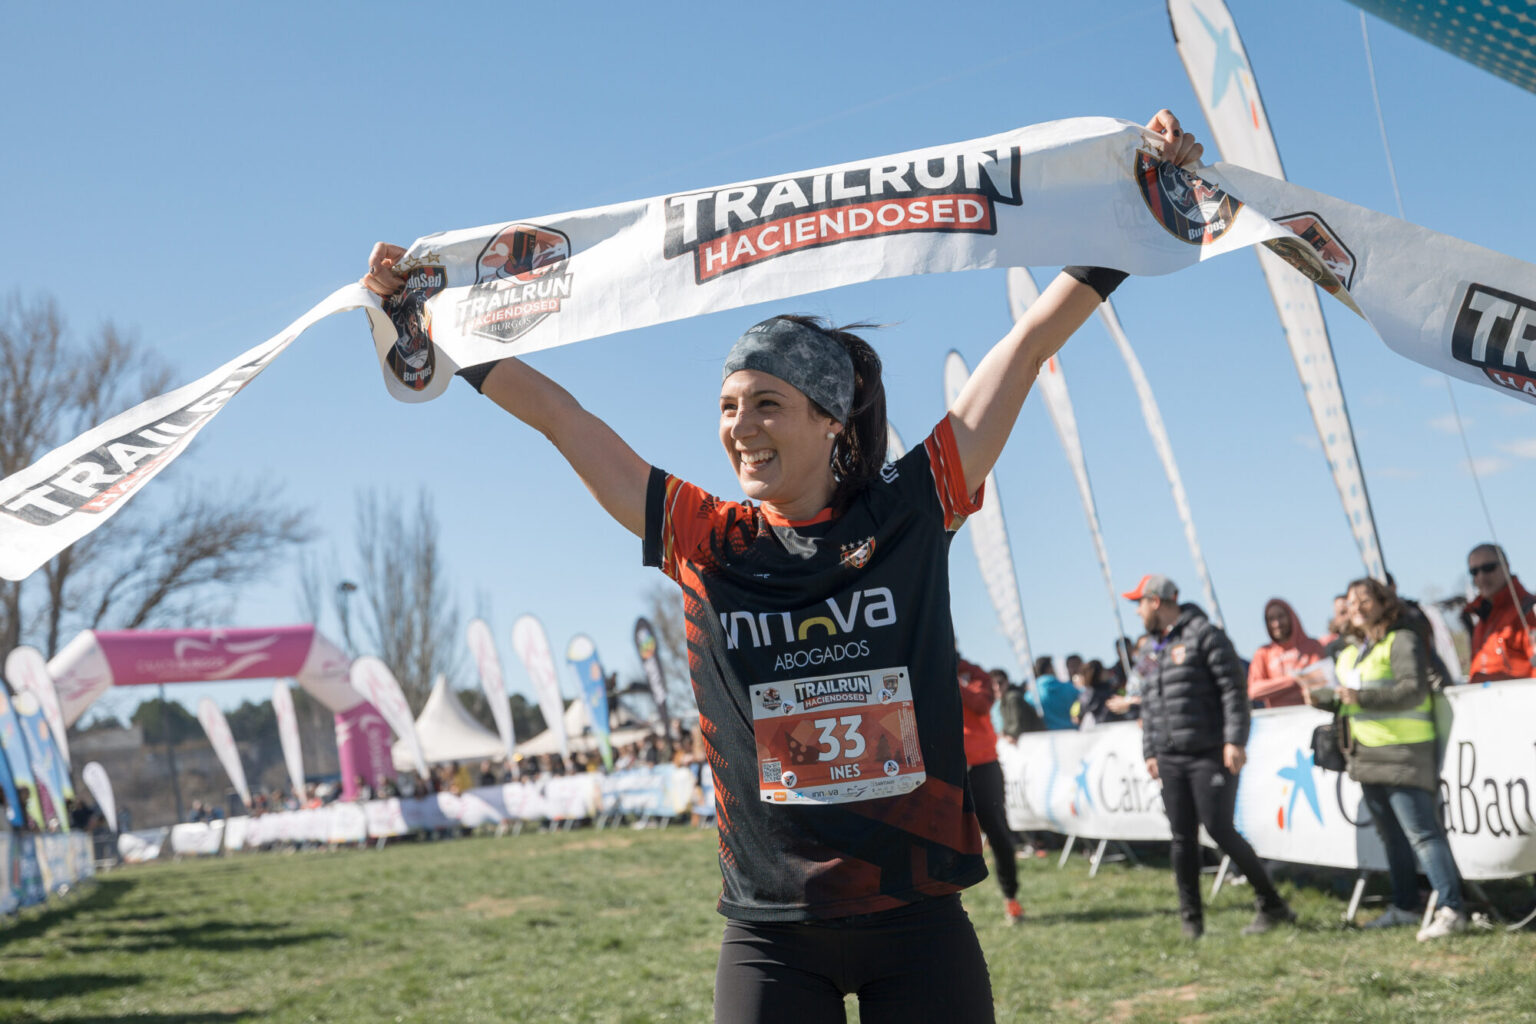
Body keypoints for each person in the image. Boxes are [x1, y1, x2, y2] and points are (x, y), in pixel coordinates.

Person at [364, 110, 1202, 1023]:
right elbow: (568, 421)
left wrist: (1138, 206)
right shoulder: (700, 534)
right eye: (727, 406)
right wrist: (438, 322)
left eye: (766, 402)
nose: (738, 427)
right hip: (770, 934)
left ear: (831, 421)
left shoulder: (912, 509)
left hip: (919, 921)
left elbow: (1028, 346)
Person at [1125, 573, 1295, 940]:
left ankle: (1273, 904)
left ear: (1156, 601)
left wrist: (1235, 740)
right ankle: (1192, 922)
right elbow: (1149, 705)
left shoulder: (1205, 634)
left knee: (1219, 829)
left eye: (1139, 603)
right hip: (1170, 757)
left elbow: (1234, 691)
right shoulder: (1149, 650)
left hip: (1209, 753)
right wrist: (1151, 750)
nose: (1137, 612)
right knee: (1181, 838)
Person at [1305, 577, 1468, 940]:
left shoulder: (1402, 639)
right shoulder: (1355, 650)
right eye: (1351, 601)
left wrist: (1359, 698)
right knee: (1392, 838)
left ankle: (1452, 908)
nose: (1356, 606)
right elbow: (1352, 695)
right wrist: (1324, 698)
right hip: (1366, 756)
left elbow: (1412, 690)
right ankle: (1405, 906)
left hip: (1403, 753)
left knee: (1423, 835)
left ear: (1384, 603)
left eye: (1365, 599)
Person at [957, 654, 1023, 924]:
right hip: (949, 768)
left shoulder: (975, 674)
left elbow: (982, 705)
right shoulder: (919, 667)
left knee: (998, 833)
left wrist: (948, 679)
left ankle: (1012, 900)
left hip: (984, 767)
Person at [1464, 543, 1536, 683]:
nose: (1481, 577)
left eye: (1488, 568)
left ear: (1506, 567)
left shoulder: (1529, 611)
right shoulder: (1480, 617)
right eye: (1474, 571)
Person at [1247, 598, 1325, 708]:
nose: (1277, 623)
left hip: (1310, 715)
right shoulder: (1263, 653)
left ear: (1291, 617)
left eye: (1281, 616)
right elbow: (1254, 690)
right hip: (1278, 719)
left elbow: (1318, 681)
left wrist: (1273, 688)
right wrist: (1296, 679)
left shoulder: (1312, 646)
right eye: (1271, 619)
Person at [1031, 655, 1078, 731]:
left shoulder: (1030, 695)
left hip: (1048, 738)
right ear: (1049, 668)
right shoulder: (1070, 688)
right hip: (1073, 735)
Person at [995, 668, 1042, 738]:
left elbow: (1018, 725)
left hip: (1035, 740)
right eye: (993, 684)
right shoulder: (1003, 701)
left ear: (1007, 681)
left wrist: (1007, 734)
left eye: (1000, 683)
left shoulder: (1014, 698)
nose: (997, 687)